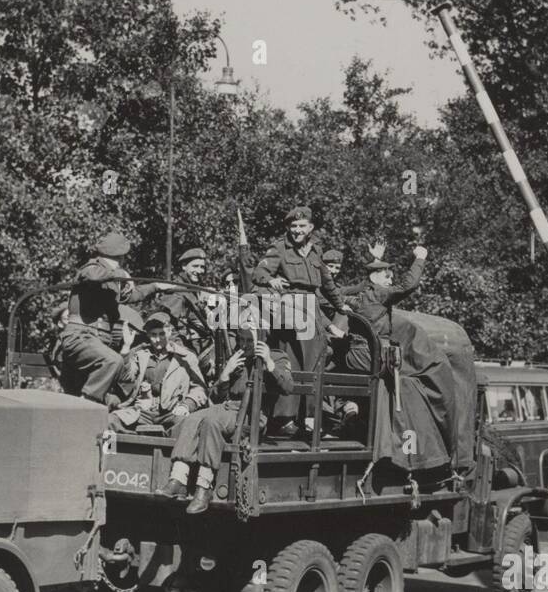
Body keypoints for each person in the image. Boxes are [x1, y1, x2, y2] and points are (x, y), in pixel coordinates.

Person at [156, 324, 294, 515]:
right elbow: (217, 397)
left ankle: (203, 488)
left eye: (249, 340)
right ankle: (178, 478)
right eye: (241, 339)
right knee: (192, 419)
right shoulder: (237, 357)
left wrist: (269, 362)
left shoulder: (277, 356)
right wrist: (224, 376)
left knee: (211, 423)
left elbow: (288, 387)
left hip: (251, 413)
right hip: (226, 408)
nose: (244, 345)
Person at [252, 206, 347, 431]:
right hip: (289, 308)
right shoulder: (279, 248)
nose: (297, 230)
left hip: (312, 308)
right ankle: (286, 417)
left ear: (310, 228)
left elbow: (328, 284)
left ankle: (311, 415)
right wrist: (270, 281)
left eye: (302, 226)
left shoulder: (316, 251)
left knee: (316, 360)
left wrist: (341, 305)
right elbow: (258, 273)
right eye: (293, 226)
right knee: (292, 361)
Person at [57, 231, 167, 404]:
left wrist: (156, 286)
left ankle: (103, 404)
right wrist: (121, 274)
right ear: (119, 256)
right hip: (80, 337)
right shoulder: (92, 268)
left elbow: (130, 296)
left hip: (97, 341)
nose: (124, 262)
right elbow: (92, 275)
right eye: (123, 258)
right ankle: (87, 404)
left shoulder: (110, 280)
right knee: (113, 361)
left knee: (122, 370)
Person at [106, 312, 209, 432]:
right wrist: (126, 348)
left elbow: (200, 389)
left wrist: (186, 405)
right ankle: (110, 451)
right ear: (148, 335)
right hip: (142, 411)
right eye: (153, 335)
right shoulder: (141, 355)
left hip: (172, 413)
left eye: (162, 334)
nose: (158, 339)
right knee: (110, 421)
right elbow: (126, 377)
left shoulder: (186, 357)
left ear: (169, 332)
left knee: (188, 427)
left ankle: (177, 451)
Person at [339, 244, 427, 374]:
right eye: (387, 277)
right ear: (374, 278)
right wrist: (420, 257)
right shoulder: (380, 294)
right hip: (373, 356)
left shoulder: (362, 296)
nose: (391, 282)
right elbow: (408, 286)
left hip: (356, 355)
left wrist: (377, 260)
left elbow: (360, 285)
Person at [157, 248, 215, 368]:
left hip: (204, 350)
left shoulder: (195, 289)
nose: (199, 270)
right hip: (187, 355)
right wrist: (185, 353)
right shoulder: (177, 291)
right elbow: (168, 328)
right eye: (195, 266)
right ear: (184, 266)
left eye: (202, 267)